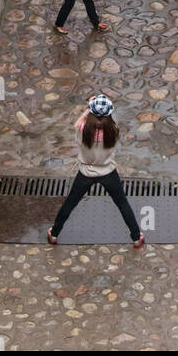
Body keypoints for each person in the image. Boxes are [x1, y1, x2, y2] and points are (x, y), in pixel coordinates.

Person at [47, 95, 144, 248]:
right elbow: (109, 120)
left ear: (92, 114)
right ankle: (136, 237)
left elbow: (76, 124)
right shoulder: (114, 130)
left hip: (86, 173)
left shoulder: (82, 130)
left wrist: (88, 108)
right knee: (122, 204)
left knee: (70, 203)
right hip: (108, 173)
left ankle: (54, 234)